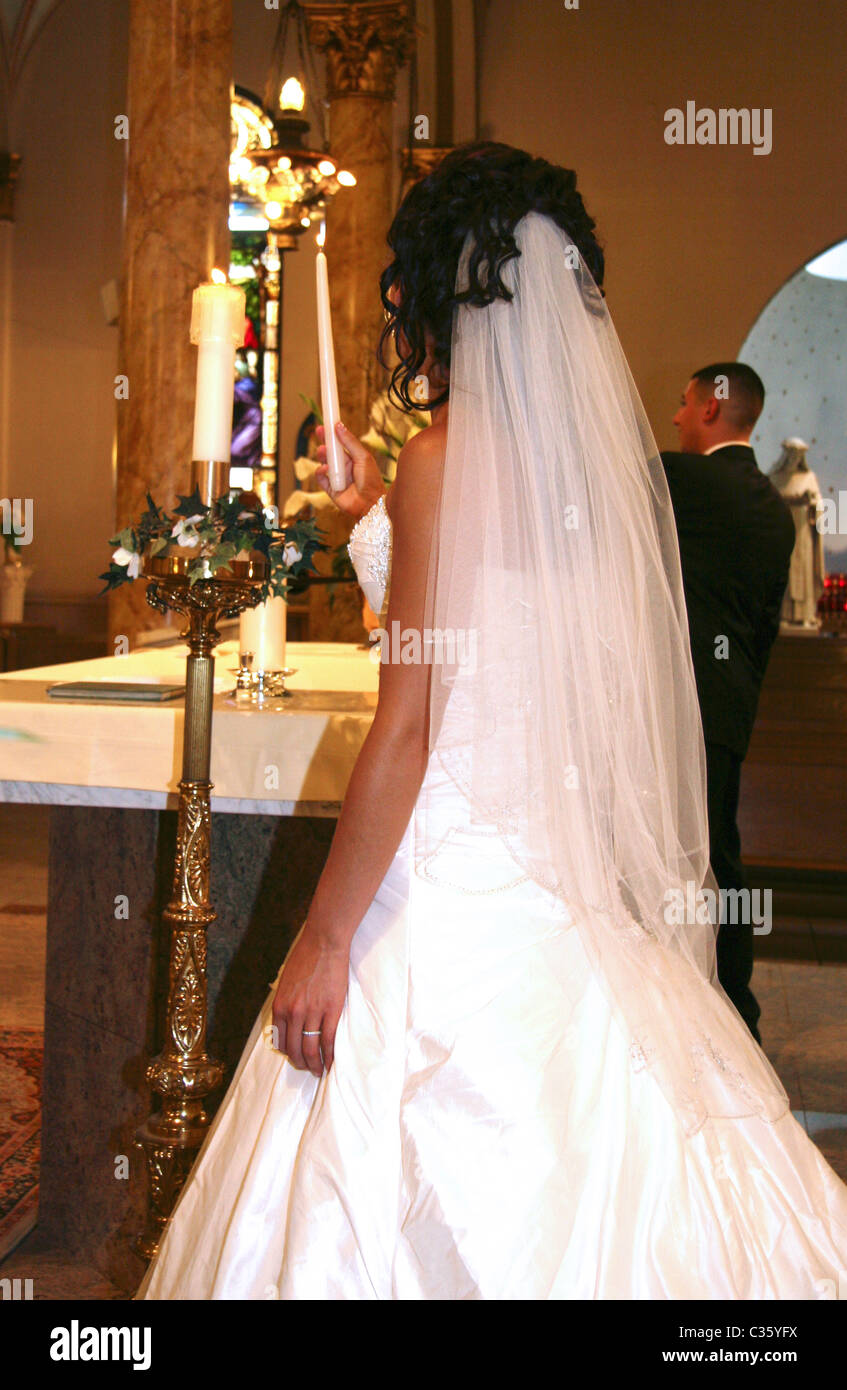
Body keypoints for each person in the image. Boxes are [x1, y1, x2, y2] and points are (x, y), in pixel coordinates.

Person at [136, 144, 847, 1300]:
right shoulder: (588, 481)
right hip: (550, 885)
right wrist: (374, 507)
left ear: (439, 289)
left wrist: (321, 937)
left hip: (443, 875)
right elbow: (506, 635)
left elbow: (412, 727)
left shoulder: (444, 456)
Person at [662, 367, 795, 1041]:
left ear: (711, 407)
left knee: (692, 853)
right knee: (719, 850)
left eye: (685, 404)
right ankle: (730, 1000)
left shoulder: (686, 483)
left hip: (681, 705)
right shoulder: (773, 508)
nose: (677, 415)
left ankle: (721, 1009)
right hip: (732, 703)